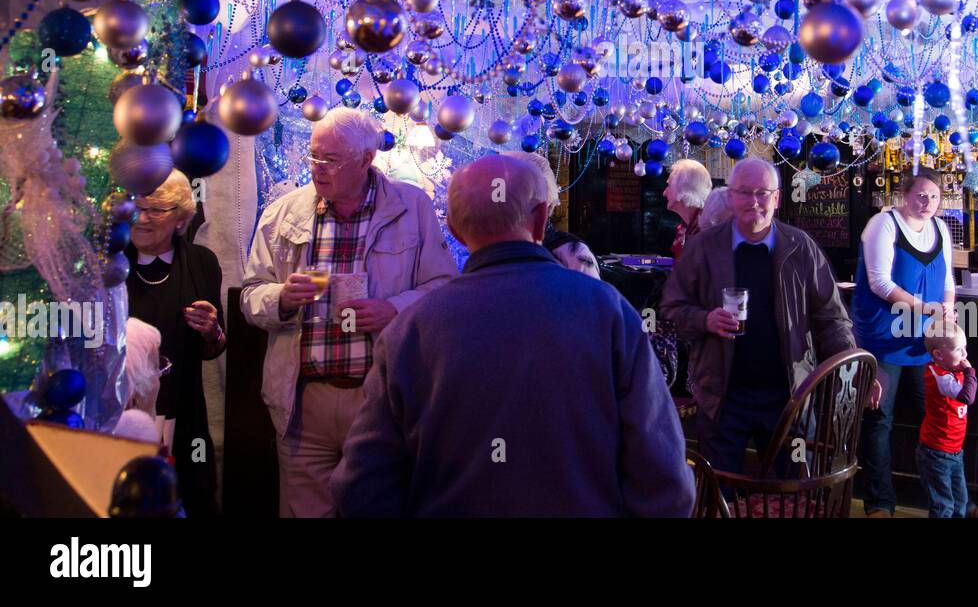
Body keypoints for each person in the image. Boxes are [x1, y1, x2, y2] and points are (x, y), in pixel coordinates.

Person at [331, 155, 694, 517]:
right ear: (539, 219)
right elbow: (664, 480)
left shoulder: (410, 329)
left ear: (455, 230)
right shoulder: (609, 313)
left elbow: (361, 487)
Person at [241, 107, 457, 517]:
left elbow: (444, 289)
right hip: (304, 401)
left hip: (379, 397)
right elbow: (250, 296)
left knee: (380, 507)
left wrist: (393, 309)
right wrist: (283, 298)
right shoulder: (283, 213)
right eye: (313, 156)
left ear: (366, 159)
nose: (318, 169)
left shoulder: (411, 208)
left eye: (331, 159)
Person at [661, 157, 856, 475]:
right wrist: (704, 320)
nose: (754, 201)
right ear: (730, 196)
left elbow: (831, 318)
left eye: (763, 192)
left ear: (777, 198)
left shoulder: (800, 247)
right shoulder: (704, 248)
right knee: (718, 491)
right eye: (744, 192)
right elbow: (670, 309)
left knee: (793, 489)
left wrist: (852, 369)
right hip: (722, 397)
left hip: (789, 397)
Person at [853, 166, 956, 517]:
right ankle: (879, 505)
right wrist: (925, 307)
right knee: (879, 421)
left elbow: (948, 282)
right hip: (882, 339)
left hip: (925, 342)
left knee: (937, 418)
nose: (927, 202)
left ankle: (949, 502)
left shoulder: (941, 228)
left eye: (934, 196)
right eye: (920, 195)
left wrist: (947, 317)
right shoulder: (883, 224)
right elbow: (880, 282)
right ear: (904, 195)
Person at [124, 169, 225, 516]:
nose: (142, 218)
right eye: (137, 207)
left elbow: (214, 348)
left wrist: (211, 330)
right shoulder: (111, 263)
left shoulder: (202, 263)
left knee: (191, 495)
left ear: (181, 220)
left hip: (185, 412)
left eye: (155, 210)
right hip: (122, 412)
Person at [916, 319, 977, 518]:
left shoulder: (951, 369)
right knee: (943, 506)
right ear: (939, 355)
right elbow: (967, 397)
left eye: (964, 348)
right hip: (936, 453)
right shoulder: (939, 375)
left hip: (954, 451)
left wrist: (963, 370)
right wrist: (970, 372)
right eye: (959, 350)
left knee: (960, 502)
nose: (964, 355)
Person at [665, 159, 712, 259]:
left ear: (683, 188)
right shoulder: (686, 227)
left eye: (669, 185)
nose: (664, 193)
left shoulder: (706, 229)